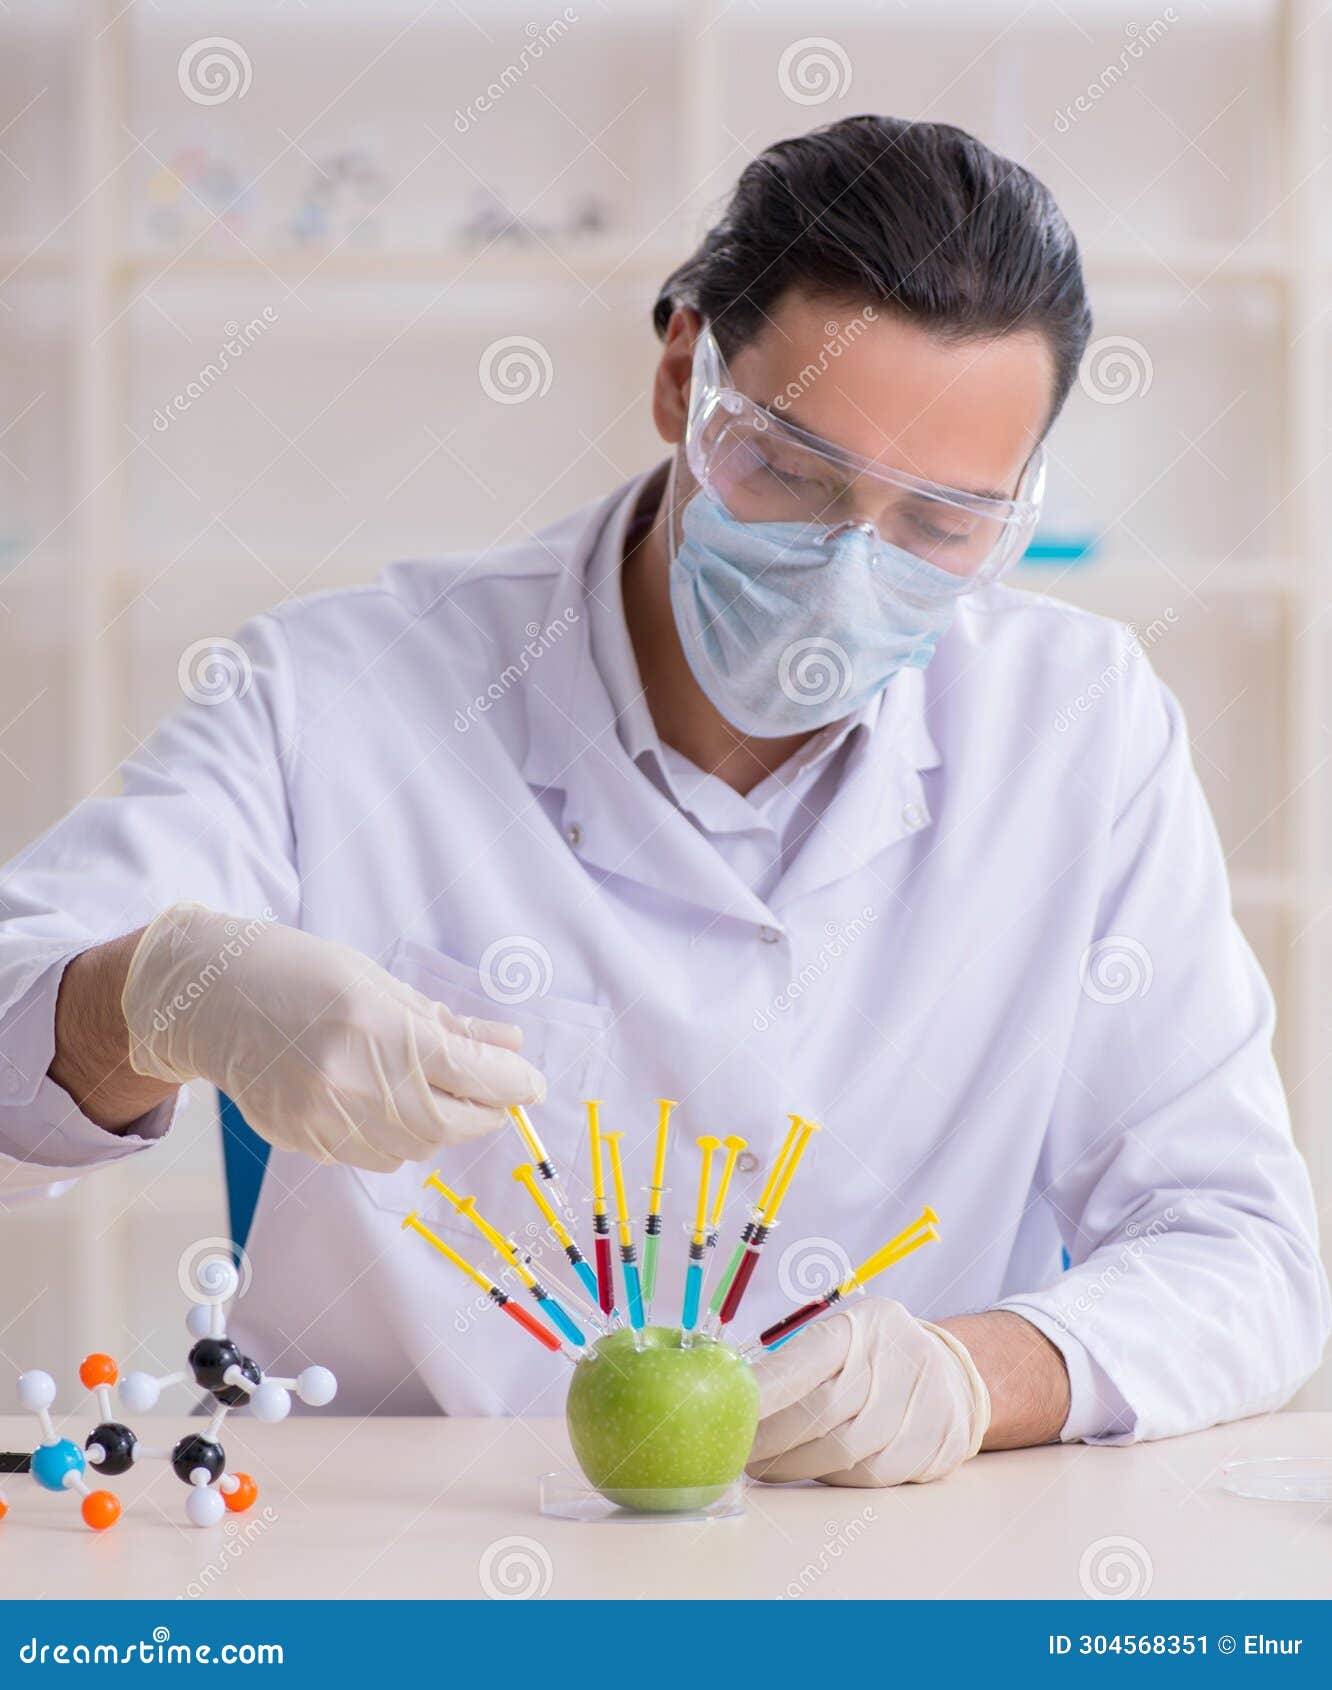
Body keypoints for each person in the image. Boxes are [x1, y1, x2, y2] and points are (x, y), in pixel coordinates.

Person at [0, 117, 1325, 1482]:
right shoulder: (338, 695)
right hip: (395, 1554)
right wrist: (150, 994)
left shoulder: (1079, 730)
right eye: (791, 472)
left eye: (938, 523)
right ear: (684, 372)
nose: (843, 569)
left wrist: (978, 1373)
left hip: (890, 1554)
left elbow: (1248, 1253)